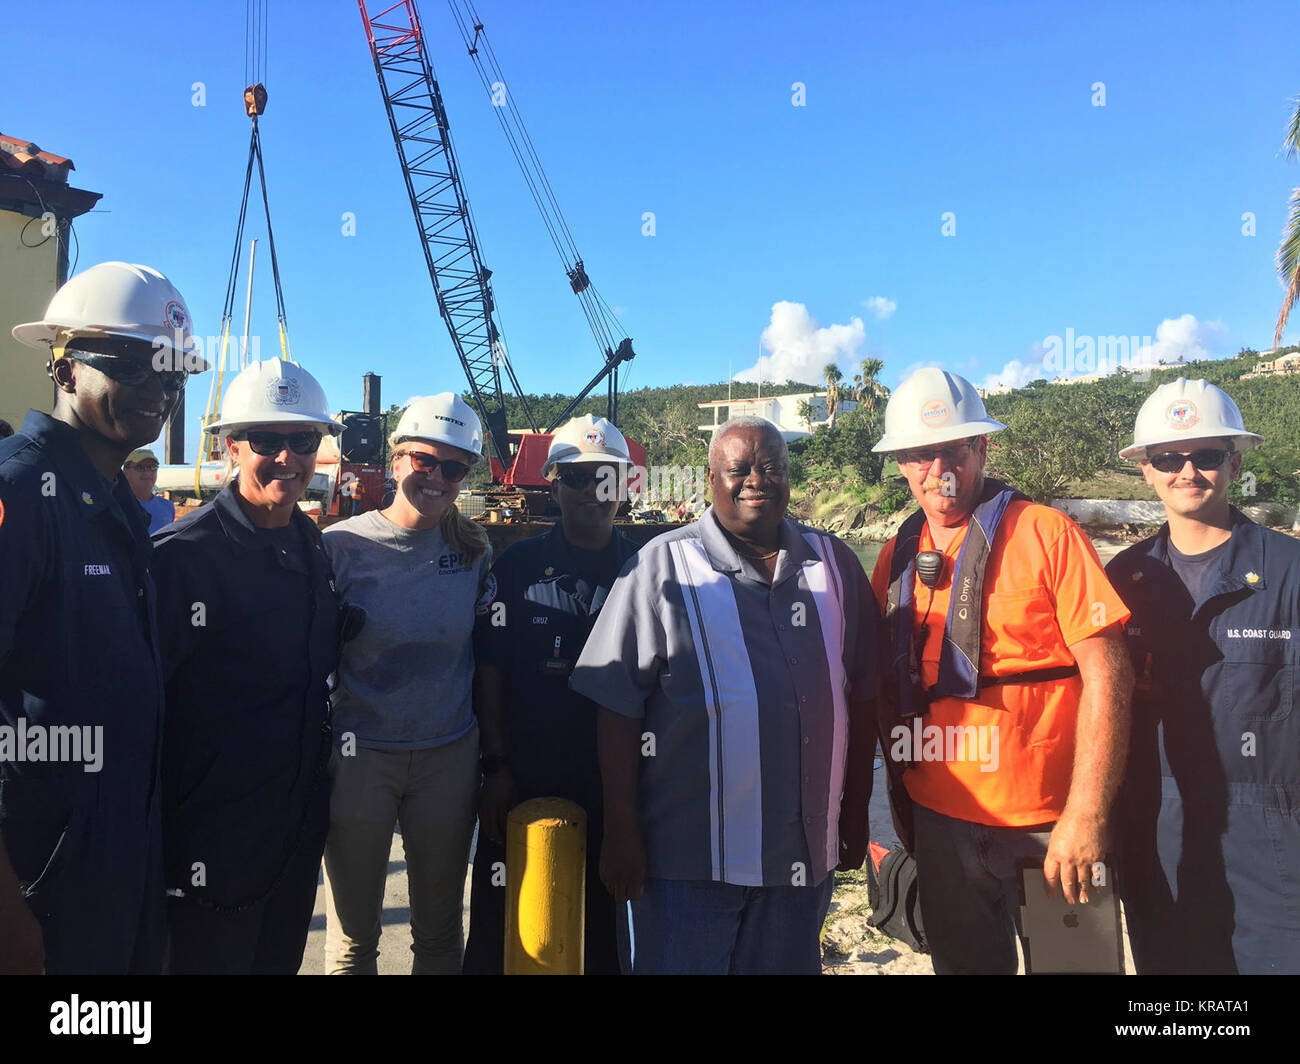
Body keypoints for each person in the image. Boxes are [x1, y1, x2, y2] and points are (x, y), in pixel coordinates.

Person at [570, 415, 880, 975]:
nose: (757, 480)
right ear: (711, 480)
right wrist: (620, 831)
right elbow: (616, 708)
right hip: (688, 865)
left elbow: (861, 698)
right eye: (739, 469)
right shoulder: (660, 566)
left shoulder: (833, 565)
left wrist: (855, 810)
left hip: (800, 860)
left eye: (772, 468)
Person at [868, 367, 1132, 975]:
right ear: (902, 463)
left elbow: (1108, 675)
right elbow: (883, 686)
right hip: (940, 821)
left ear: (981, 448)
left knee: (1076, 969)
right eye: (918, 456)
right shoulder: (896, 555)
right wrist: (899, 805)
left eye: (952, 450)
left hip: (1047, 826)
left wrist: (1087, 814)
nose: (938, 471)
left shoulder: (1047, 534)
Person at [0, 260, 201, 974]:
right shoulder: (19, 494)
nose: (158, 392)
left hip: (118, 868)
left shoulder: (113, 506)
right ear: (64, 370)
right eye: (133, 367)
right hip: (40, 882)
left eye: (174, 375)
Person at [151, 358, 344, 974]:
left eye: (302, 441)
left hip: (290, 837)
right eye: (266, 441)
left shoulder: (310, 544)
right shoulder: (180, 560)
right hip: (208, 845)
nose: (286, 458)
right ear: (231, 446)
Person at [1106, 378, 1299, 974]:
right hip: (1151, 838)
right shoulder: (1122, 580)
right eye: (1167, 457)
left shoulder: (1288, 570)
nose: (1186, 471)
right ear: (1146, 470)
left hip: (1273, 843)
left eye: (1207, 456)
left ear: (1235, 463)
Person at [322, 393, 493, 975]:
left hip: (448, 756)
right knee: (352, 938)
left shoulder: (472, 551)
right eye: (424, 460)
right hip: (360, 758)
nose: (437, 477)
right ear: (395, 461)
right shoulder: (341, 548)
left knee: (441, 933)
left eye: (454, 468)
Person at [464, 415, 640, 975]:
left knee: (605, 937)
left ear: (625, 485)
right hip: (523, 776)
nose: (591, 491)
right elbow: (489, 671)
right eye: (576, 476)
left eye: (604, 477)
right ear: (552, 484)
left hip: (613, 786)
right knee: (504, 926)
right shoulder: (515, 567)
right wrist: (494, 768)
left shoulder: (646, 570)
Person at [122, 447, 175, 534]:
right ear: (126, 472)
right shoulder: (117, 506)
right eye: (140, 468)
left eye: (153, 467)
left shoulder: (168, 506)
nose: (147, 473)